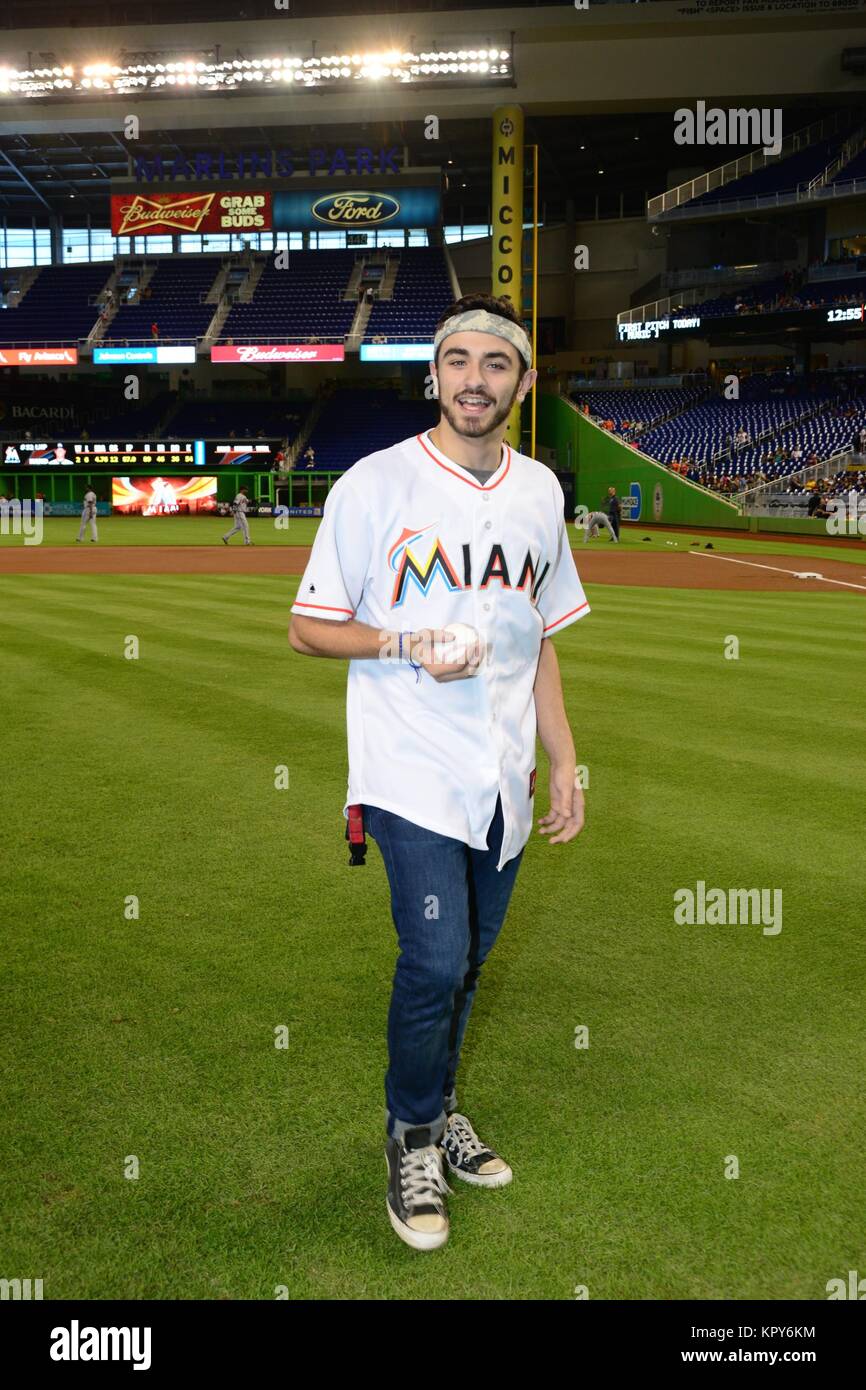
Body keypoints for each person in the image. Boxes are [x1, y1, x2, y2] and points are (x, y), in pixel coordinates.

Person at [289, 292, 589, 1252]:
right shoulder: (374, 485)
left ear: (523, 383)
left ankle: (442, 1106)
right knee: (434, 960)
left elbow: (540, 636)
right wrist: (403, 641)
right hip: (408, 765)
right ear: (434, 375)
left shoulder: (541, 492)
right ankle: (411, 1138)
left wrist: (566, 759)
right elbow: (307, 626)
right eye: (457, 361)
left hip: (502, 773)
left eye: (494, 365)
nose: (474, 379)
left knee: (471, 963)